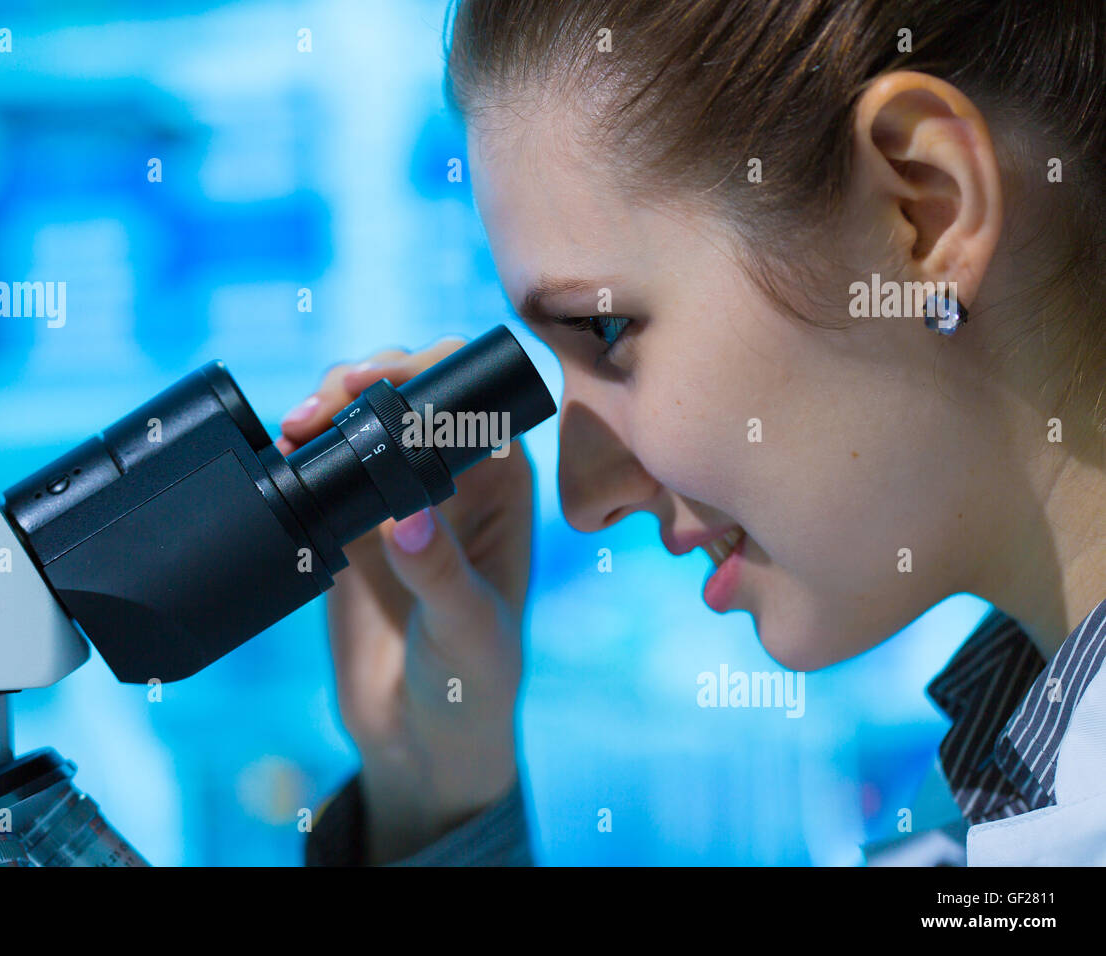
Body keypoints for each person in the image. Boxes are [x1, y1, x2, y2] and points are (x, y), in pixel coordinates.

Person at [277, 0, 1106, 865]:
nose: (582, 497)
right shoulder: (1001, 791)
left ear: (923, 213)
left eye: (605, 332)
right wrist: (440, 786)